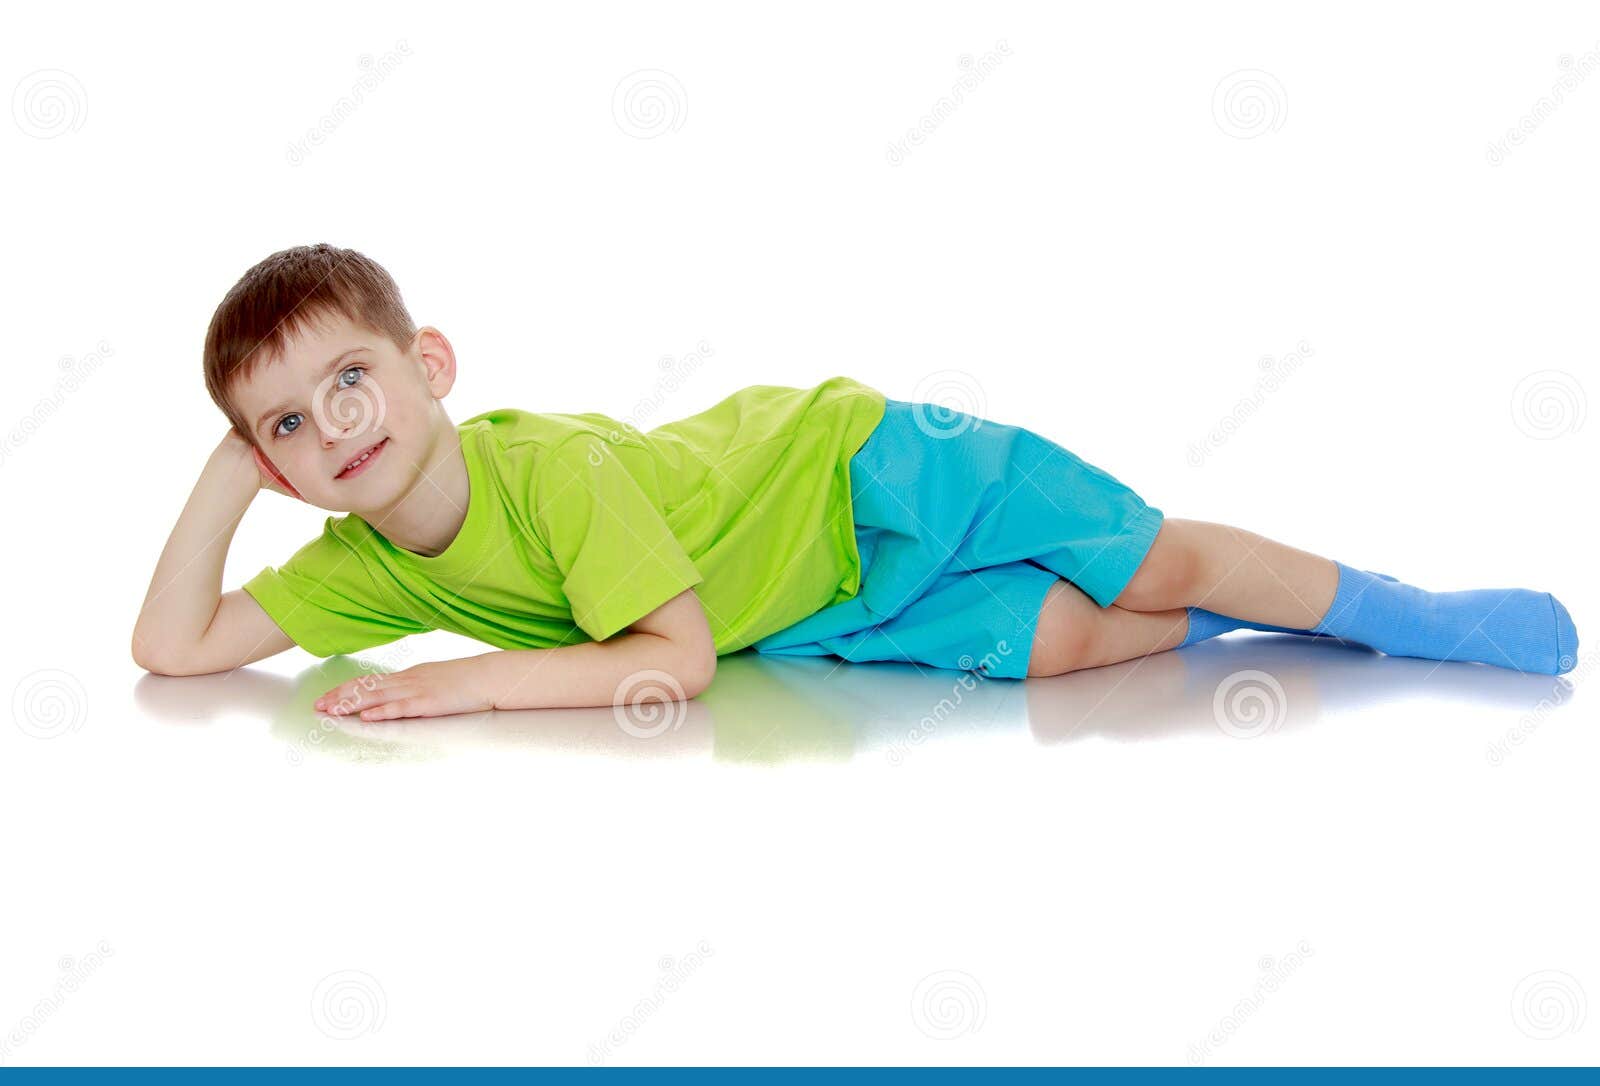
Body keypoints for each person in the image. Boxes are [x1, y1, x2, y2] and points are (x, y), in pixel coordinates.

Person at [131, 244, 1579, 720]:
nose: (330, 430)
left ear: (428, 363)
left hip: (848, 461)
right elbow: (174, 650)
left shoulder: (551, 472)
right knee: (1065, 645)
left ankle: (1400, 611)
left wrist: (452, 687)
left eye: (346, 383)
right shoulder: (357, 564)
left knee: (1148, 564)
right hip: (817, 602)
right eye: (285, 430)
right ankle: (1265, 634)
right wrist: (222, 469)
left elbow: (674, 660)